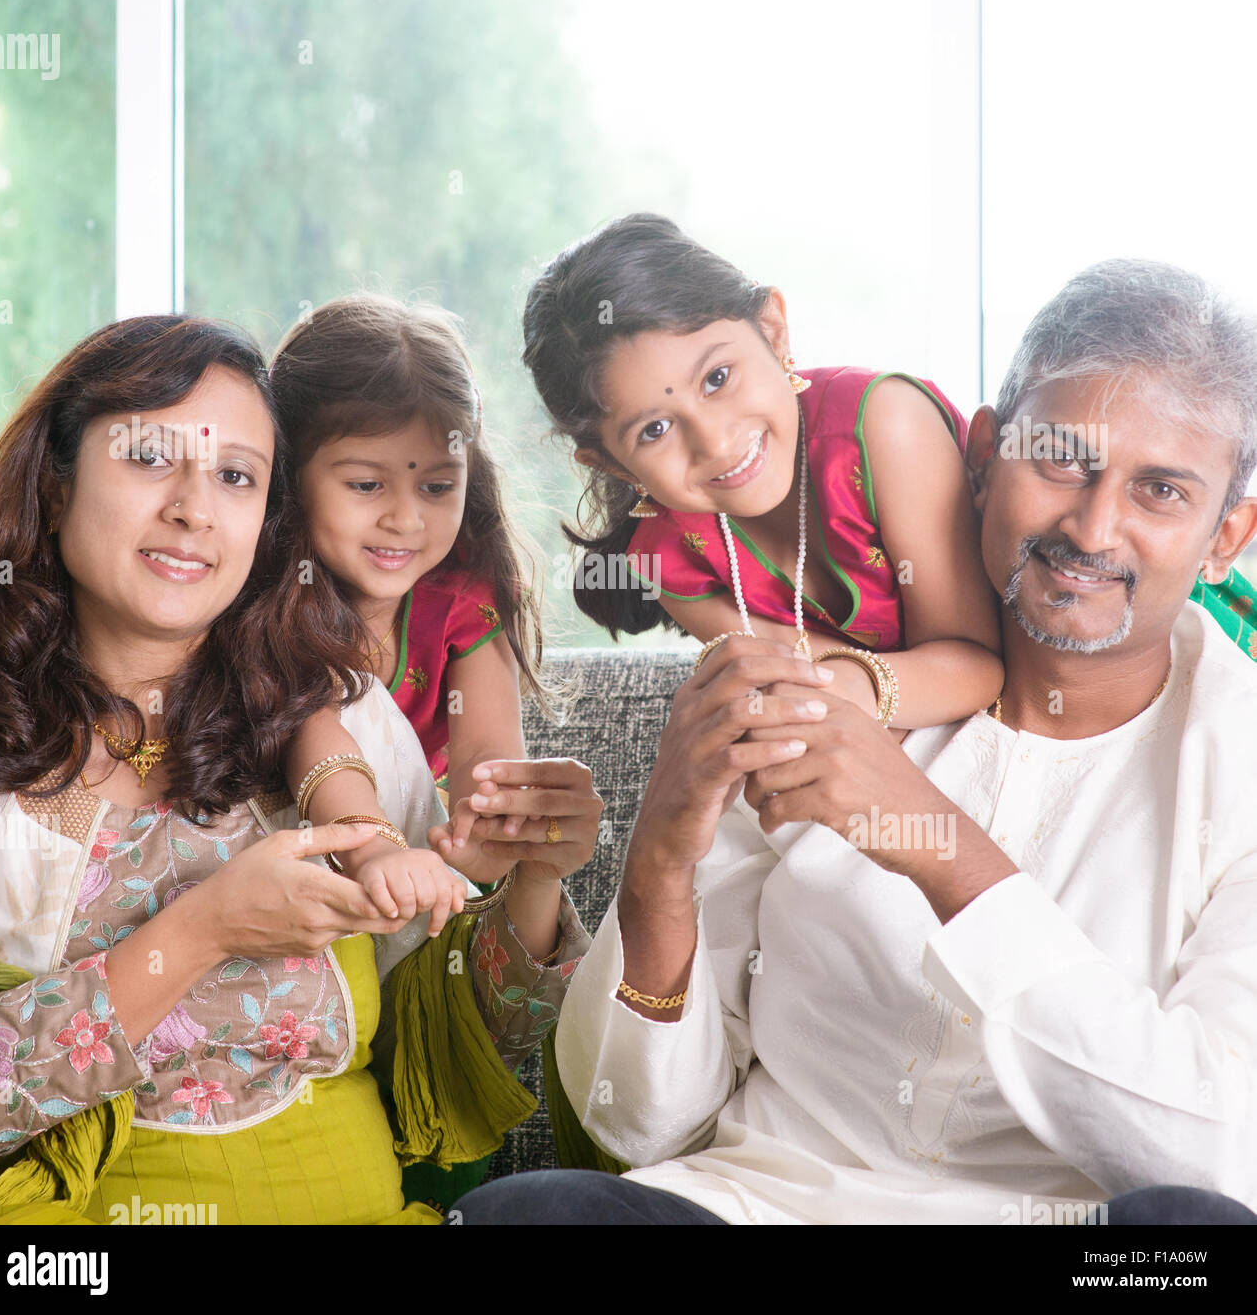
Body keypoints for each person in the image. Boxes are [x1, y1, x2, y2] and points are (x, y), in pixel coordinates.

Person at [454, 258, 1257, 1225]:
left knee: (1192, 1240)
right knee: (532, 1215)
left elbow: (1218, 1153)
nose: (1093, 525)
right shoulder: (816, 690)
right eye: (1060, 461)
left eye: (1161, 492)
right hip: (770, 1208)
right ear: (985, 453)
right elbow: (636, 1125)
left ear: (1226, 535)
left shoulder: (1237, 755)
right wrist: (660, 862)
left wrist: (940, 850)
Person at [0, 314, 597, 1224]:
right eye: (148, 458)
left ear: (266, 520)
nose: (193, 507)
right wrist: (207, 930)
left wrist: (535, 879)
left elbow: (450, 1050)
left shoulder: (345, 720)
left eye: (234, 476)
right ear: (56, 485)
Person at [522, 212, 1005, 730]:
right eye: (654, 430)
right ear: (614, 466)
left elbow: (976, 668)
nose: (715, 441)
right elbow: (793, 697)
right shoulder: (666, 557)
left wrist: (847, 689)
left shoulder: (887, 425)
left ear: (773, 331)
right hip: (865, 758)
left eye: (717, 377)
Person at [268, 294, 560, 902]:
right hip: (265, 846)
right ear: (289, 473)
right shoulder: (265, 594)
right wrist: (370, 843)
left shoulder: (463, 596)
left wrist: (489, 820)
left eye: (435, 486)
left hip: (402, 865)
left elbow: (488, 755)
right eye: (367, 484)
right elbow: (309, 725)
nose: (405, 519)